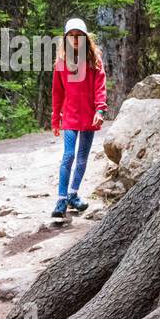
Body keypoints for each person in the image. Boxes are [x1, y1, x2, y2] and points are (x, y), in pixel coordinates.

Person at [49, 17, 108, 218]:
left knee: (82, 159)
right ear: (66, 38)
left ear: (85, 37)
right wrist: (55, 118)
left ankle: (73, 195)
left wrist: (100, 110)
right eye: (71, 35)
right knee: (68, 155)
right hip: (70, 117)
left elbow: (100, 88)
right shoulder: (61, 62)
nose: (75, 39)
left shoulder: (94, 61)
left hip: (89, 117)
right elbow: (57, 92)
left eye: (79, 35)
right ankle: (61, 199)